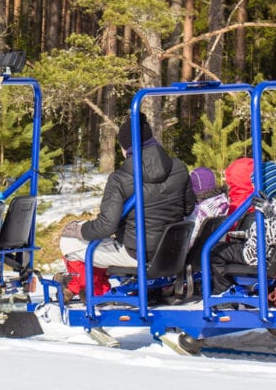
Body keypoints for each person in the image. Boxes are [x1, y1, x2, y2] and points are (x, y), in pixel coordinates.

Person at [60, 118, 193, 284]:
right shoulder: (179, 167)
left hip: (138, 253)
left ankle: (93, 291)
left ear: (125, 148)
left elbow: (105, 227)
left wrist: (78, 230)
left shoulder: (120, 178)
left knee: (69, 243)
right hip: (173, 251)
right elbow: (188, 208)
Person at [212, 161, 276, 269]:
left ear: (267, 186)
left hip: (260, 255)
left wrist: (269, 215)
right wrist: (247, 234)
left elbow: (273, 234)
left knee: (214, 251)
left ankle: (220, 281)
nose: (254, 189)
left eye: (254, 185)